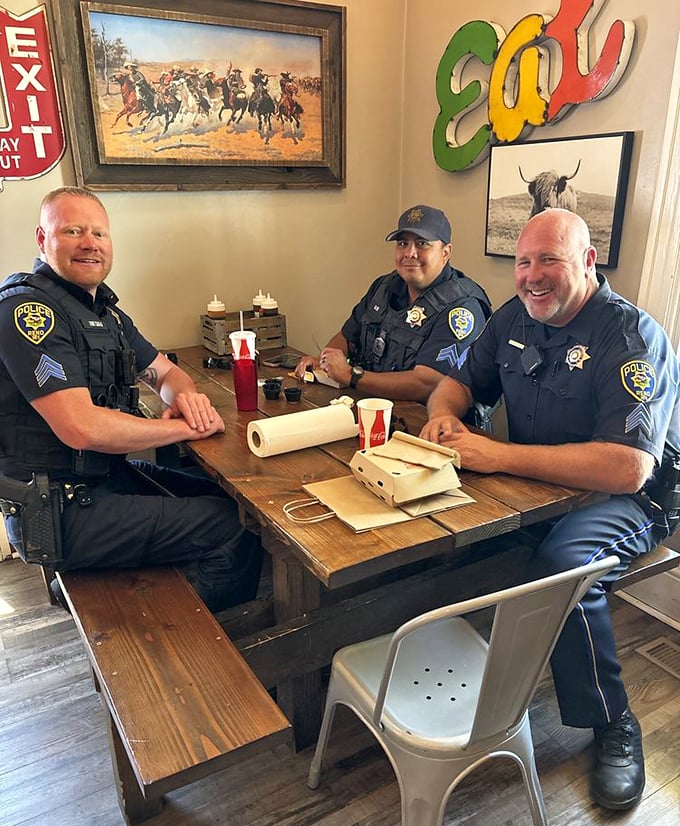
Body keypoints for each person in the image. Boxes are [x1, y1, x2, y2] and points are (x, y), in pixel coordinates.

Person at [420, 208, 680, 811]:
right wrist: (444, 412)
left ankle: (612, 721)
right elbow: (458, 380)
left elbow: (627, 467)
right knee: (440, 522)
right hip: (539, 482)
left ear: (587, 263)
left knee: (562, 567)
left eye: (550, 261)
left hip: (633, 499)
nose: (533, 276)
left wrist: (500, 454)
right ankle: (463, 668)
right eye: (524, 261)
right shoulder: (515, 316)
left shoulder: (632, 338)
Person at [0, 186, 261, 613]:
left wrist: (186, 398)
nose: (90, 243)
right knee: (229, 526)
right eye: (73, 231)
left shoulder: (105, 313)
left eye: (99, 234)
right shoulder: (28, 312)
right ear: (42, 239)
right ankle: (182, 642)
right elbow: (80, 427)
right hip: (58, 511)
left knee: (230, 499)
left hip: (102, 482)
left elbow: (166, 371)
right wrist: (182, 427)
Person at [295, 204, 492, 406]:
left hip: (431, 424)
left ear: (445, 252)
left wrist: (352, 377)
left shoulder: (462, 309)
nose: (409, 253)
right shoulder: (385, 286)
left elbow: (426, 384)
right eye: (402, 243)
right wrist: (322, 360)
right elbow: (347, 336)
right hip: (375, 408)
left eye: (422, 243)